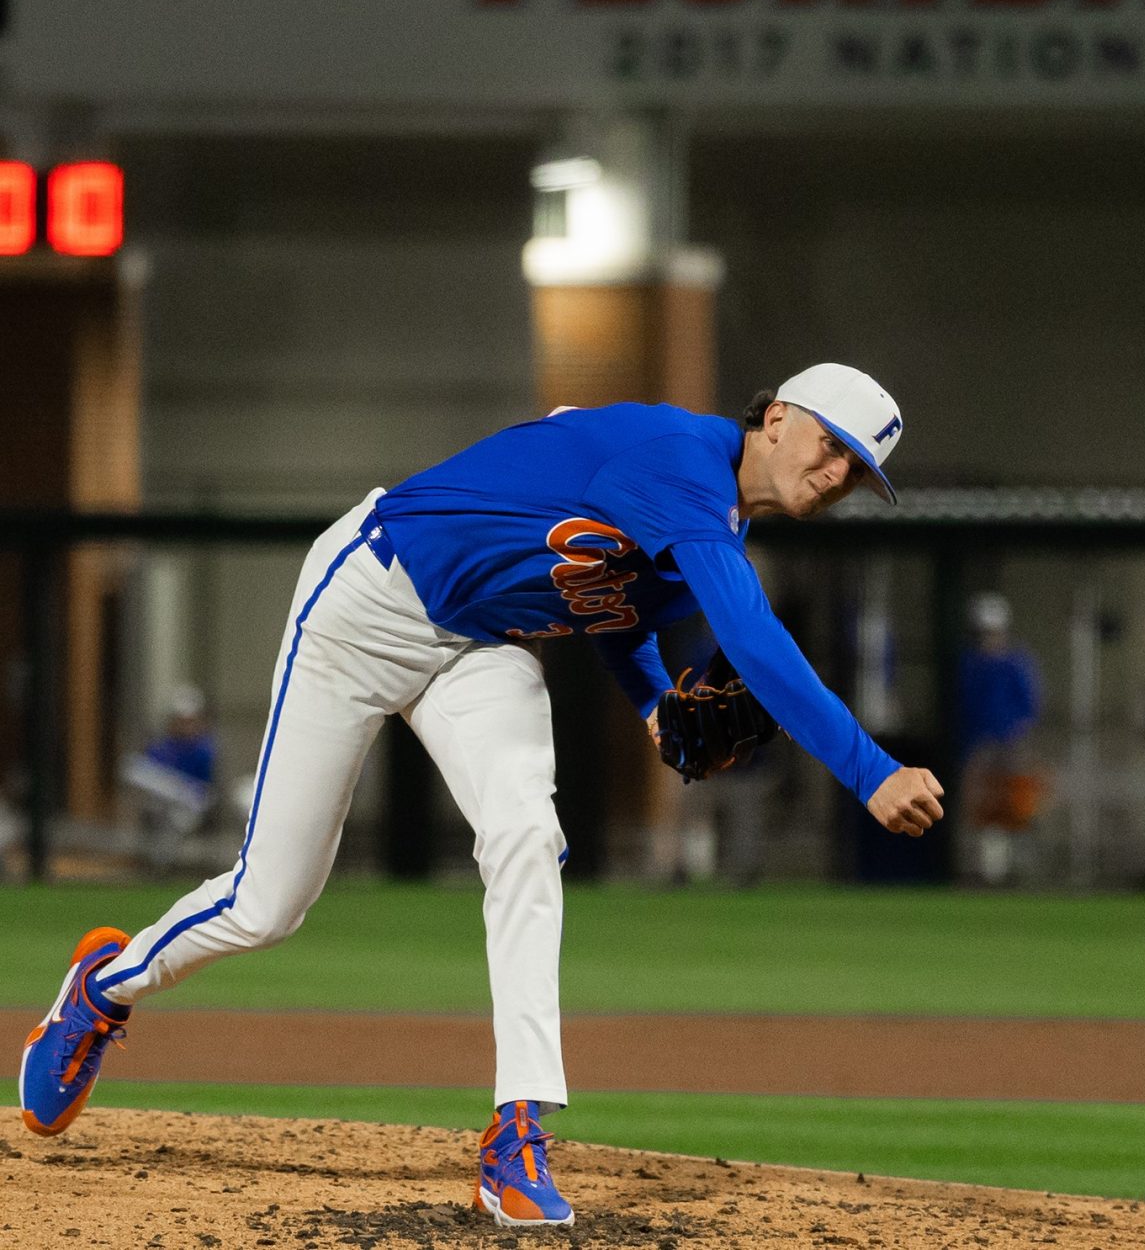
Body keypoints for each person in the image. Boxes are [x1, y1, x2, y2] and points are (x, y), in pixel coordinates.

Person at [17, 363, 944, 1230]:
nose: (836, 474)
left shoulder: (716, 521)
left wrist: (655, 702)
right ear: (776, 416)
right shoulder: (682, 462)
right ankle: (104, 990)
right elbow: (752, 639)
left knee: (527, 841)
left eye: (857, 473)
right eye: (831, 446)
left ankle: (517, 1136)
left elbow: (612, 607)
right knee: (271, 902)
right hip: (371, 602)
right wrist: (870, 770)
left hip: (486, 648)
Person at [955, 593, 1042, 885]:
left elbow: (1030, 703)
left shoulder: (1016, 662)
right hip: (980, 743)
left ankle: (1018, 869)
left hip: (1011, 743)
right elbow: (963, 703)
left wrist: (1017, 734)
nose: (989, 638)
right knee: (981, 806)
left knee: (1016, 804)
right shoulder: (971, 664)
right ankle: (987, 870)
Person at [120, 684, 218, 874]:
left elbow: (206, 787)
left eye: (190, 721)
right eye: (181, 721)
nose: (185, 725)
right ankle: (159, 865)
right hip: (166, 800)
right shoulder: (164, 745)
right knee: (136, 773)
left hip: (194, 800)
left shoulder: (204, 748)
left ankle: (163, 865)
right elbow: (146, 772)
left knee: (180, 817)